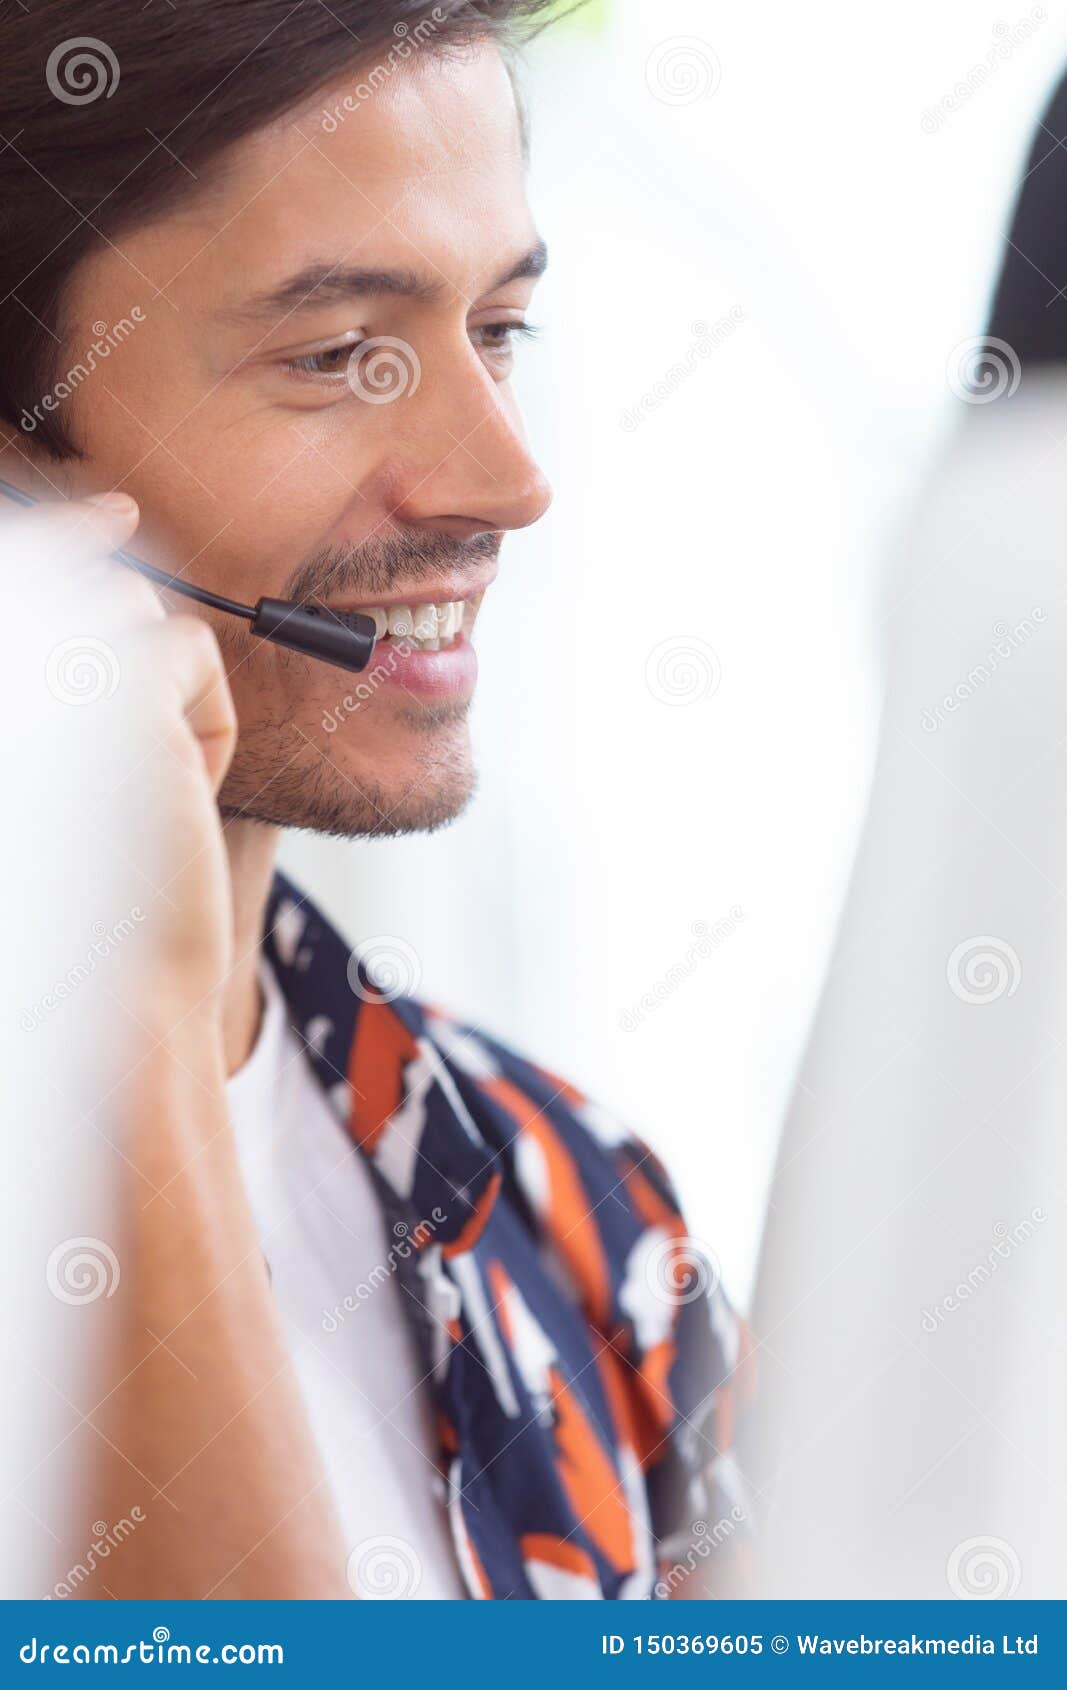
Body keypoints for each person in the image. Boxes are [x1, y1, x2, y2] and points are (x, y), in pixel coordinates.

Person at [1, 1, 752, 1600]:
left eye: (501, 331)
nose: (506, 477)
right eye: (345, 355)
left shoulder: (580, 1216)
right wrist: (116, 1013)